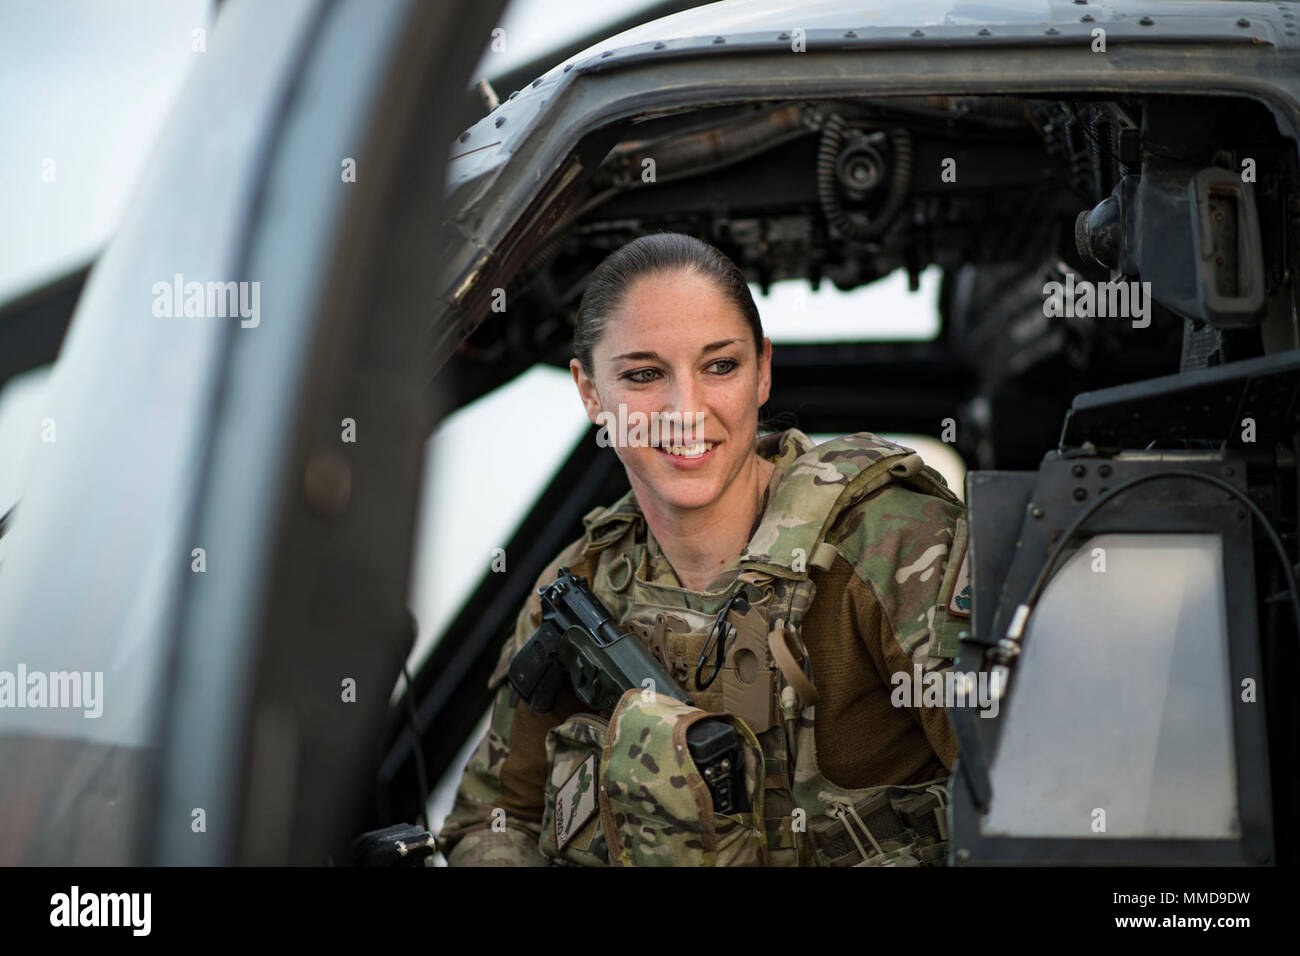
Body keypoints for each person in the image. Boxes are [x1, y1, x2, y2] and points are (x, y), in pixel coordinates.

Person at [438, 233, 970, 866]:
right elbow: (491, 820)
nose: (685, 411)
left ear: (763, 370)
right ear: (589, 394)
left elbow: (1038, 806)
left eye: (721, 366)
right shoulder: (583, 583)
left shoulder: (892, 542)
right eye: (643, 375)